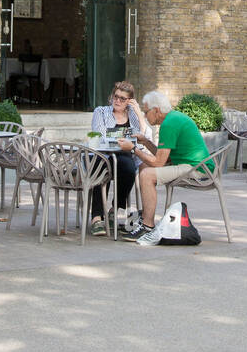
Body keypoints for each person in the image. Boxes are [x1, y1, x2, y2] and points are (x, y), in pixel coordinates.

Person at [121, 90, 211, 244]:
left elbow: (158, 163)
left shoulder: (169, 124)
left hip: (197, 169)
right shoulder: (172, 118)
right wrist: (146, 142)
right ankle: (145, 217)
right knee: (144, 167)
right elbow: (164, 157)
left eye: (145, 111)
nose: (144, 115)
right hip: (191, 165)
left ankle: (148, 225)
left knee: (147, 174)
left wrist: (132, 149)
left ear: (156, 110)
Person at [86, 81, 142, 236]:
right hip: (102, 153)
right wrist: (126, 138)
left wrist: (139, 114)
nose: (117, 101)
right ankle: (97, 217)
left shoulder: (133, 115)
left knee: (130, 169)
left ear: (129, 101)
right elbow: (100, 134)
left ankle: (114, 210)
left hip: (124, 155)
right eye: (115, 97)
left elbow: (143, 138)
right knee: (98, 165)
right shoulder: (101, 111)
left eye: (122, 99)